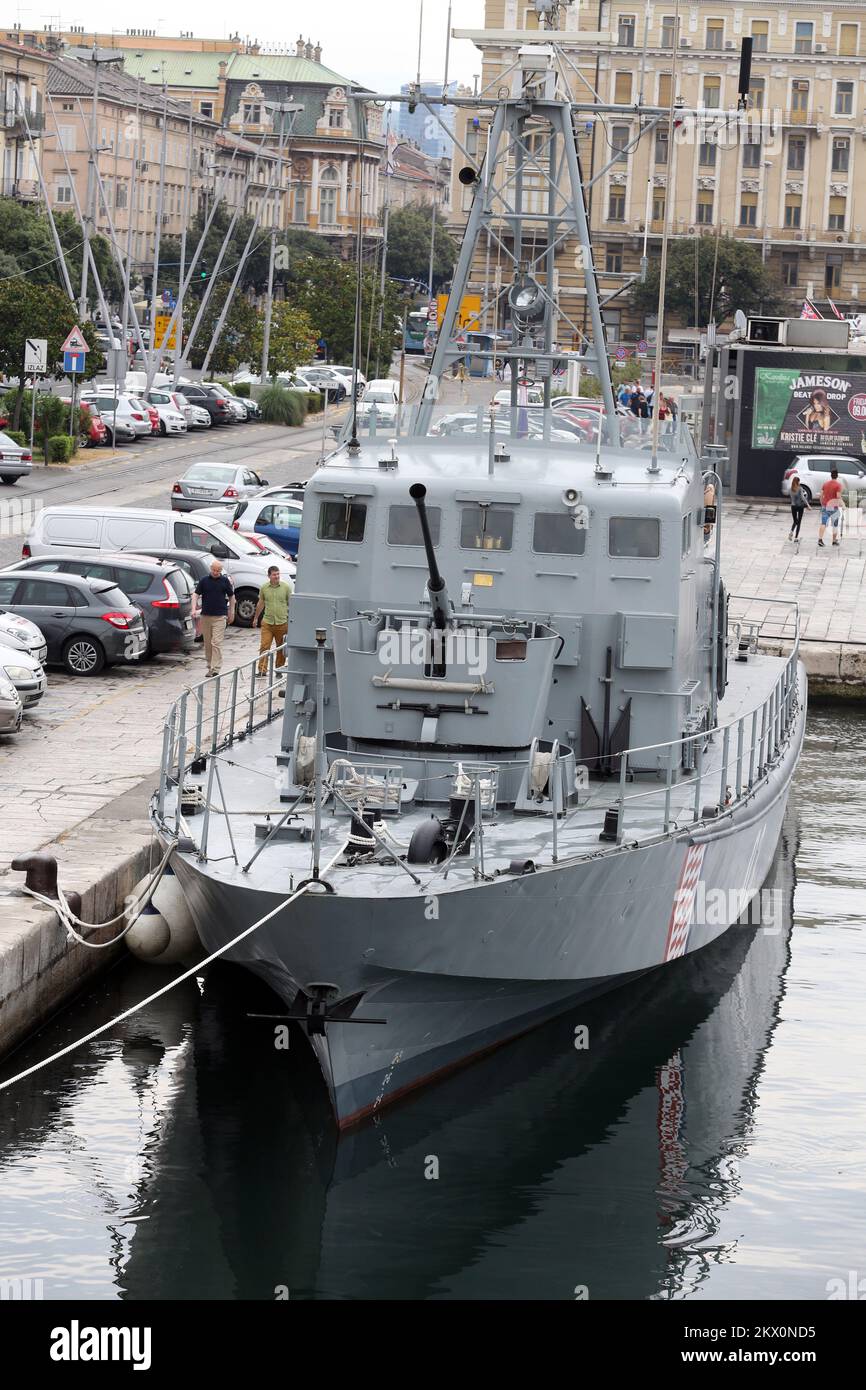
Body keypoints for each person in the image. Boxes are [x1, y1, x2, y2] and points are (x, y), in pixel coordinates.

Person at [194, 558, 235, 676]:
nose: (216, 572)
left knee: (216, 642)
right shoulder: (204, 581)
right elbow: (196, 594)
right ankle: (209, 665)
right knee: (207, 643)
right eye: (214, 570)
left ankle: (215, 668)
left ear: (221, 570)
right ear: (210, 569)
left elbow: (232, 597)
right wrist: (194, 608)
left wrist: (231, 612)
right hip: (206, 616)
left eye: (218, 570)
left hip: (220, 616)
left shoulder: (224, 581)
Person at [254, 565, 294, 684]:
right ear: (269, 576)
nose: (276, 576)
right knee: (264, 646)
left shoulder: (286, 587)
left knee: (281, 648)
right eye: (274, 574)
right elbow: (260, 603)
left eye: (278, 574)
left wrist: (292, 619)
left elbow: (291, 603)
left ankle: (279, 669)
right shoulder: (264, 588)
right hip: (267, 622)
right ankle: (262, 670)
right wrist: (256, 618)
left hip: (282, 622)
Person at [817, 467, 843, 547]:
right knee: (835, 524)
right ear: (837, 476)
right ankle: (834, 541)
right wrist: (842, 504)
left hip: (825, 506)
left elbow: (821, 495)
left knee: (823, 523)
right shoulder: (838, 485)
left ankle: (820, 539)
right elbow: (838, 496)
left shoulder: (825, 484)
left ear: (831, 475)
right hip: (834, 507)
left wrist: (822, 503)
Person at [789, 476, 810, 540]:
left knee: (795, 521)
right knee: (799, 522)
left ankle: (791, 531)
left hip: (793, 506)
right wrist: (808, 505)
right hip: (800, 506)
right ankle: (796, 537)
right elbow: (803, 497)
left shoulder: (791, 489)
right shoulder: (800, 488)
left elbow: (792, 498)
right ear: (798, 482)